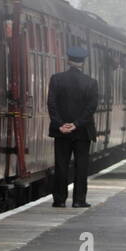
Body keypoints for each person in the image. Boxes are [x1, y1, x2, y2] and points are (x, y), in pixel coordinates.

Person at [47, 45, 99, 208]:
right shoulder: (91, 83)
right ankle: (79, 200)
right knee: (81, 166)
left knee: (61, 165)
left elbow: (51, 104)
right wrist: (76, 124)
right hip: (82, 132)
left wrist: (60, 124)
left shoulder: (56, 79)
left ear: (68, 60)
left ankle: (60, 200)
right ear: (83, 62)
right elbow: (91, 108)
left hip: (61, 132)